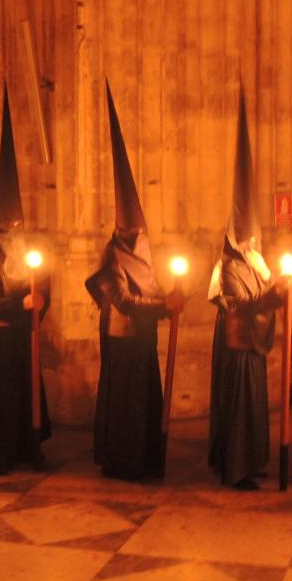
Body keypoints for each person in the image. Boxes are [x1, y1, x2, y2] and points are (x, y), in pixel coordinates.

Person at [86, 84, 183, 480]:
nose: (141, 235)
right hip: (122, 342)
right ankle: (122, 462)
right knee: (125, 405)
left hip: (143, 343)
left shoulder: (143, 251)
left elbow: (153, 289)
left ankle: (144, 459)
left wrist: (172, 297)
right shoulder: (112, 258)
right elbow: (124, 302)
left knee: (144, 402)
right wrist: (164, 306)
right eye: (135, 229)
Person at [208, 91, 288, 490]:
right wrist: (273, 296)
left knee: (255, 407)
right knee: (239, 408)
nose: (256, 240)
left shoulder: (253, 261)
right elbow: (237, 303)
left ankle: (252, 461)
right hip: (237, 347)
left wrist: (279, 289)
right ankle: (236, 469)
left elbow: (267, 289)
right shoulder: (227, 266)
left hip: (254, 346)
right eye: (250, 235)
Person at [0, 89, 50, 474]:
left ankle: (28, 448)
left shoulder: (26, 251)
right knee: (0, 396)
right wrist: (21, 306)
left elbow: (39, 287)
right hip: (0, 337)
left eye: (19, 227)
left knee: (26, 393)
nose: (15, 233)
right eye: (9, 228)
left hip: (22, 335)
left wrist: (39, 301)